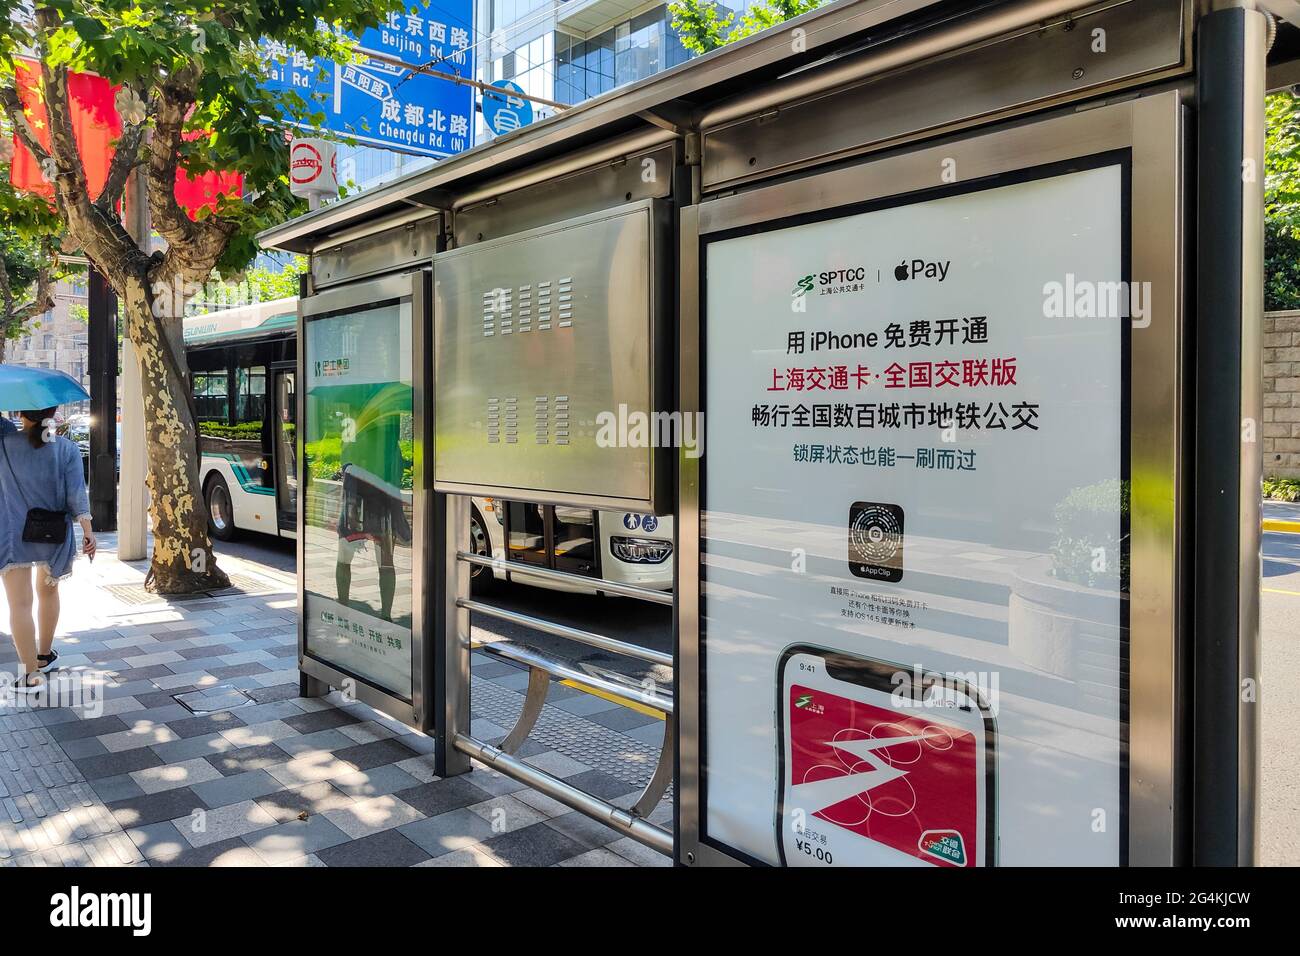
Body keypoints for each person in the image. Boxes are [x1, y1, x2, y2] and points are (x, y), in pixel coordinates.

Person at [0, 407, 96, 693]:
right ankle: (44, 655)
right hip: (52, 533)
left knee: (19, 604)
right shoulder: (66, 448)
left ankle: (30, 675)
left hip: (11, 533)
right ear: (53, 412)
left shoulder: (3, 445)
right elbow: (77, 495)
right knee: (48, 591)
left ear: (21, 413)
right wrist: (88, 532)